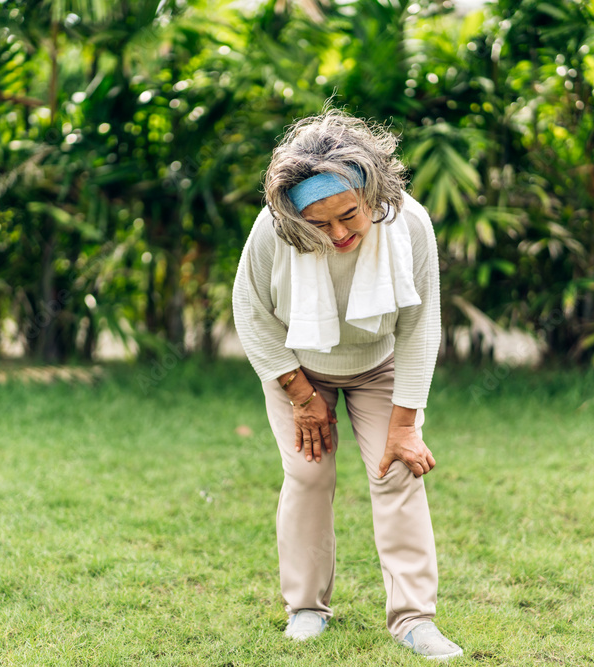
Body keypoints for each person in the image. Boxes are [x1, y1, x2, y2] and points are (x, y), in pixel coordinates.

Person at [232, 110, 463, 660]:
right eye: (319, 222)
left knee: (398, 472)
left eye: (348, 216)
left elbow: (419, 325)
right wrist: (303, 397)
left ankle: (414, 619)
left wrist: (405, 425)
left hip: (378, 364)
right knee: (308, 477)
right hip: (297, 368)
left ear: (373, 192)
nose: (337, 233)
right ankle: (307, 609)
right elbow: (252, 312)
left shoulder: (411, 224)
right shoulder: (274, 227)